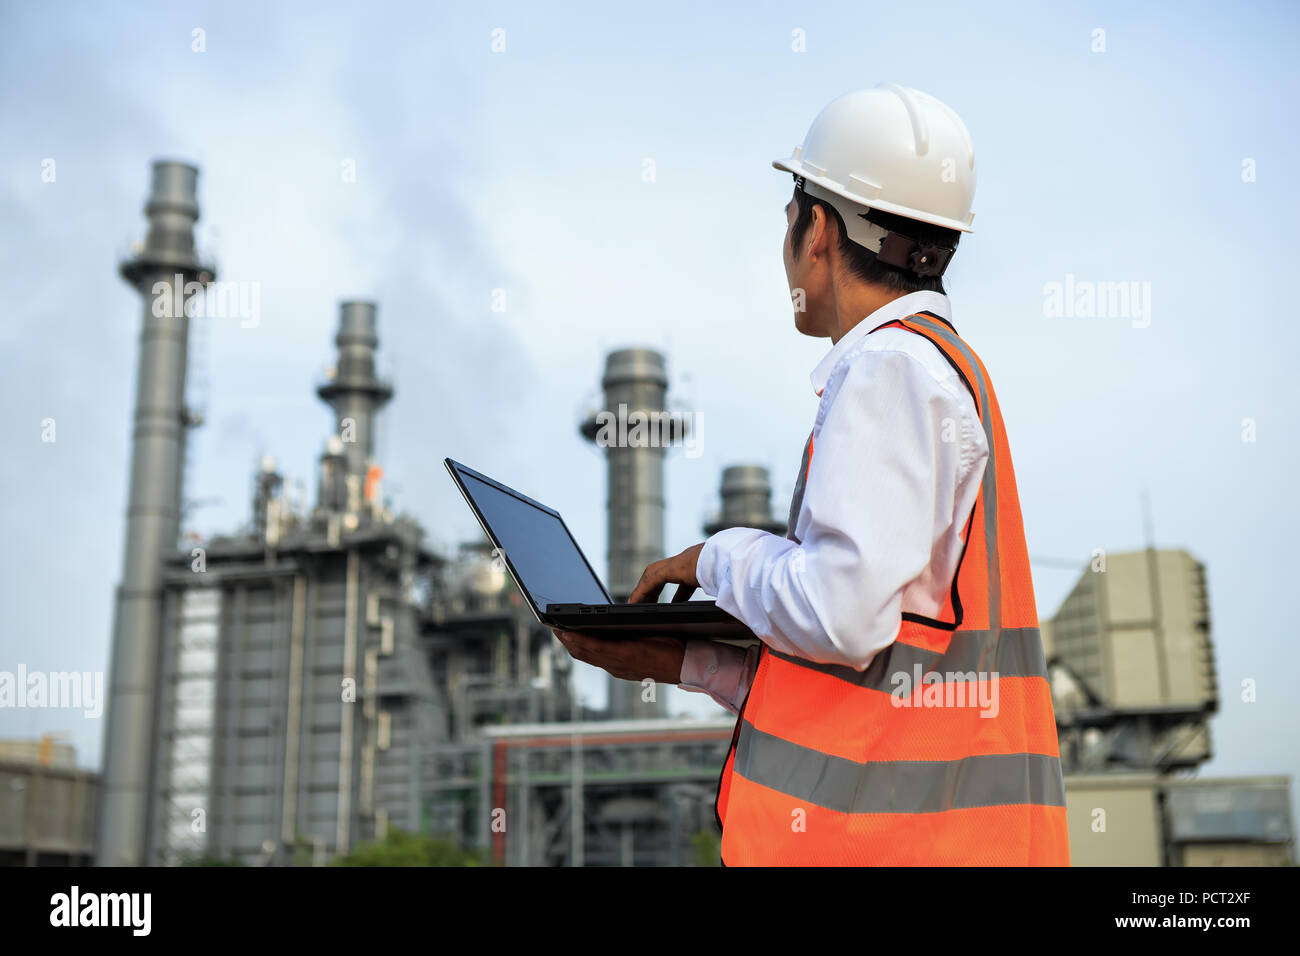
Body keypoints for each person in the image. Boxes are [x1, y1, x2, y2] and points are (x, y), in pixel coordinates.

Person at [554, 84, 1070, 866]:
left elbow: (837, 618)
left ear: (817, 227)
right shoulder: (937, 372)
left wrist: (715, 556)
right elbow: (871, 676)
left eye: (788, 217)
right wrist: (682, 662)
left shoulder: (890, 369)